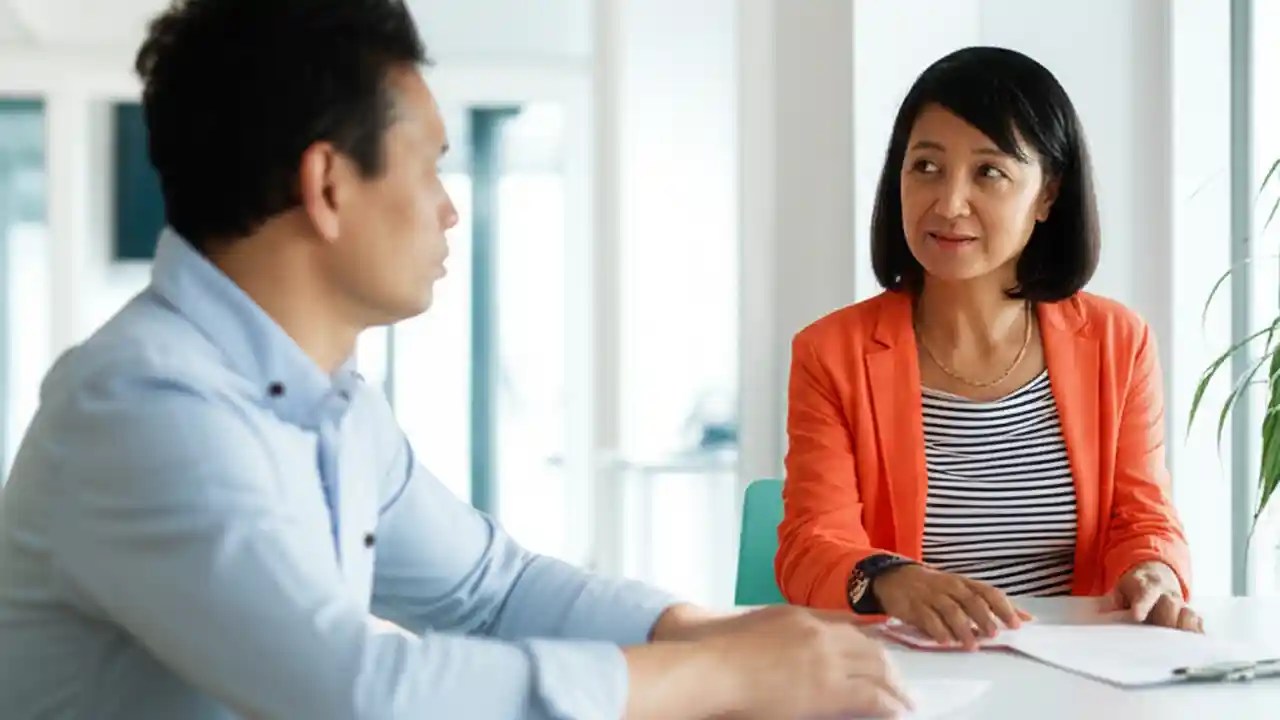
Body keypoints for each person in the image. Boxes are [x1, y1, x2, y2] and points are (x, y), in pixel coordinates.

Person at [0, 2, 910, 718]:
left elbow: (490, 589)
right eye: (431, 166)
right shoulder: (140, 409)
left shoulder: (334, 405)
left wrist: (707, 630)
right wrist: (718, 675)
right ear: (328, 186)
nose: (449, 209)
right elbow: (354, 694)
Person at [775, 46, 1199, 650]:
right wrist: (891, 578)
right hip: (909, 672)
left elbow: (1142, 518)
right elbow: (811, 546)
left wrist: (1153, 571)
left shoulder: (1117, 341)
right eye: (926, 166)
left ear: (1047, 195)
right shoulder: (830, 354)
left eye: (989, 173)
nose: (949, 203)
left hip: (1075, 669)